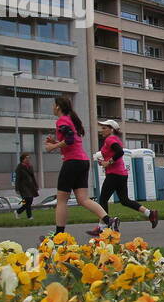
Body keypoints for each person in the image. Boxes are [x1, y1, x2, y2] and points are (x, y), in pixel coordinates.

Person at [43, 95, 114, 238]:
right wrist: (57, 141)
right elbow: (72, 139)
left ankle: (59, 235)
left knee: (61, 200)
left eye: (53, 105)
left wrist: (53, 146)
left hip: (72, 162)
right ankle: (109, 220)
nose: (52, 107)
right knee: (83, 199)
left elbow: (69, 140)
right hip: (82, 161)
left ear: (58, 107)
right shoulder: (71, 120)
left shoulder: (62, 120)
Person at [95, 120, 160, 229]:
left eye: (104, 128)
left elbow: (120, 152)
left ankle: (102, 227)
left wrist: (108, 162)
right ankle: (150, 213)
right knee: (124, 200)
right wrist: (105, 162)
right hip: (121, 174)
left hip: (114, 174)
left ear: (111, 129)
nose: (102, 130)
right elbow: (116, 153)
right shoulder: (115, 139)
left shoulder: (110, 139)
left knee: (103, 200)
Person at [14, 153, 39, 218]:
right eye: (26, 158)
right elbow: (17, 179)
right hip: (23, 187)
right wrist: (17, 189)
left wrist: (36, 185)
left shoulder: (30, 166)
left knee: (28, 202)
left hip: (30, 186)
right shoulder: (19, 167)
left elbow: (33, 177)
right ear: (23, 159)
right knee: (28, 200)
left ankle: (18, 211)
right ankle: (29, 216)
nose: (28, 159)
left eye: (29, 158)